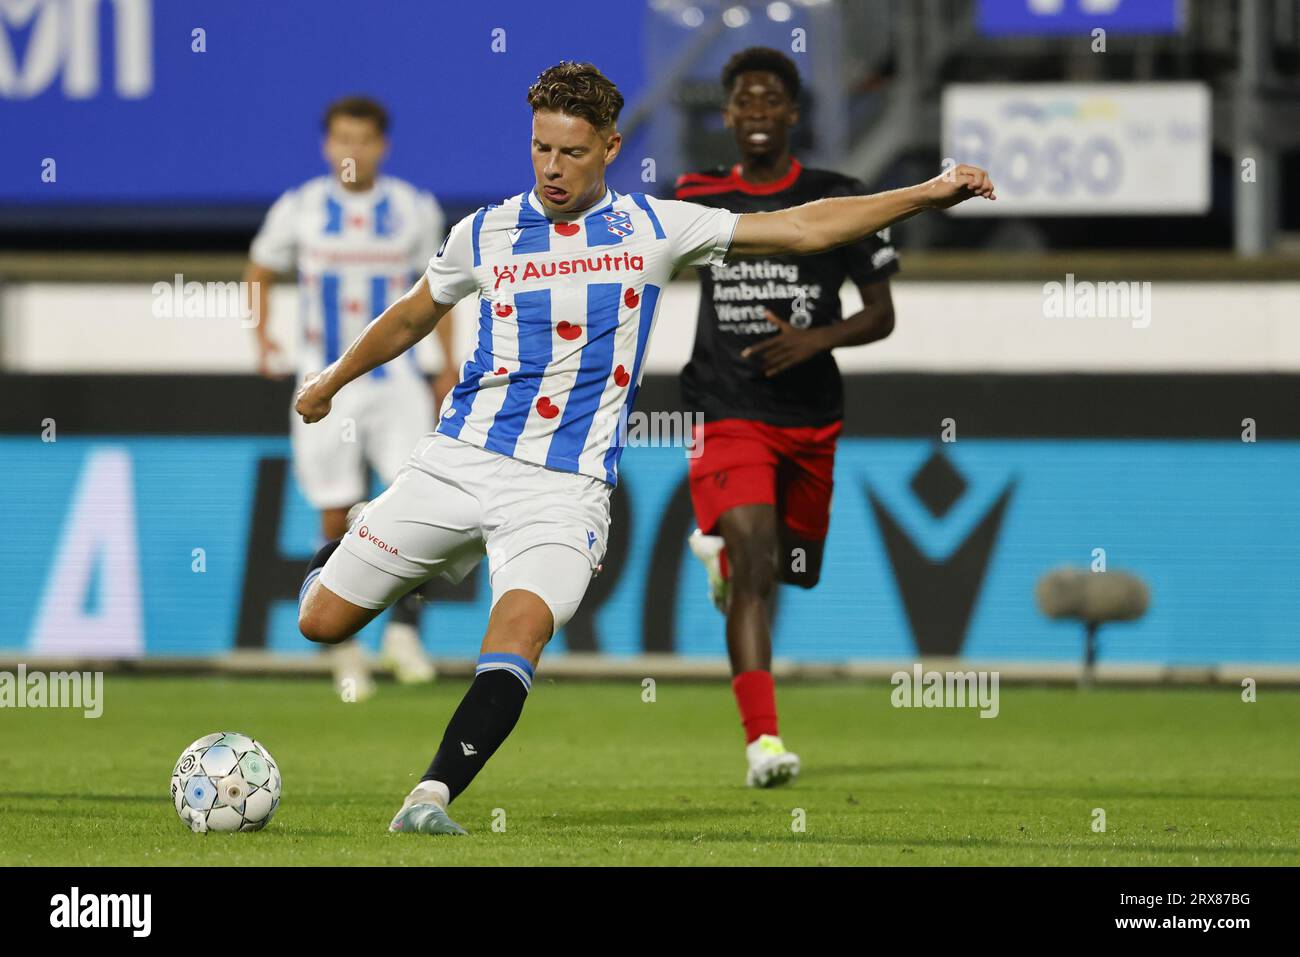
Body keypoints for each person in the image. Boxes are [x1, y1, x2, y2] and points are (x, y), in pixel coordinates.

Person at [292, 61, 995, 835]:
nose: (553, 169)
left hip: (564, 489)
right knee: (320, 623)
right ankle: (366, 532)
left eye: (572, 152)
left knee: (520, 631)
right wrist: (331, 379)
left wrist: (928, 193)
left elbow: (804, 226)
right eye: (540, 150)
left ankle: (429, 797)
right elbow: (409, 317)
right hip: (457, 461)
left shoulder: (654, 228)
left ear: (612, 147)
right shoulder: (483, 232)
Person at [676, 47, 899, 788]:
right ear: (729, 115)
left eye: (772, 100)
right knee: (757, 577)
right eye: (744, 100)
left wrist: (815, 339)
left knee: (792, 571)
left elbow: (881, 314)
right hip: (727, 407)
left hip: (810, 415)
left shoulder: (840, 196)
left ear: (793, 114)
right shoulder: (696, 196)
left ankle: (725, 557)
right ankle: (763, 743)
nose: (758, 112)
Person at [244, 96, 453, 700]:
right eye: (341, 139)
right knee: (335, 512)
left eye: (363, 140)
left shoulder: (413, 208)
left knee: (421, 506)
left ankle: (406, 635)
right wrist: (261, 337)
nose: (351, 151)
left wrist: (445, 367)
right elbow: (259, 268)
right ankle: (344, 652)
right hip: (323, 383)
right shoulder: (301, 207)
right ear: (326, 145)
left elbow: (440, 291)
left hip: (398, 381)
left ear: (381, 145)